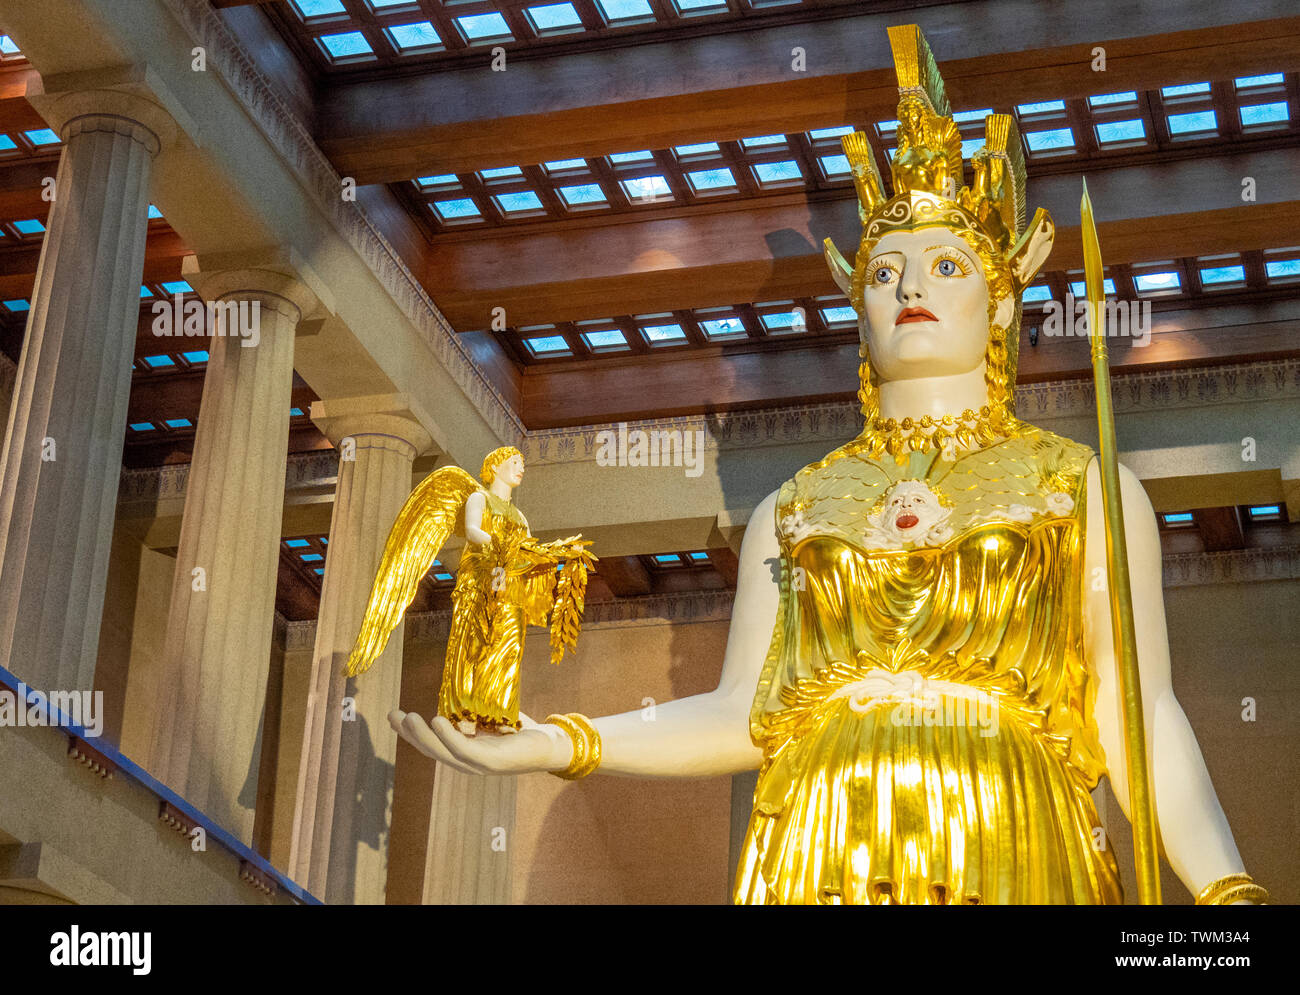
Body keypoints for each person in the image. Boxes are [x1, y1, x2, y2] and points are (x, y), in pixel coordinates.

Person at [388, 26, 1265, 906]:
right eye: (884, 272)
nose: (909, 289)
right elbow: (745, 713)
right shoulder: (796, 507)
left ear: (1001, 302)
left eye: (945, 265)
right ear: (859, 304)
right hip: (818, 839)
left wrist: (1227, 892)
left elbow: (1138, 714)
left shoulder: (1085, 486)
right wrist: (561, 741)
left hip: (1010, 829)